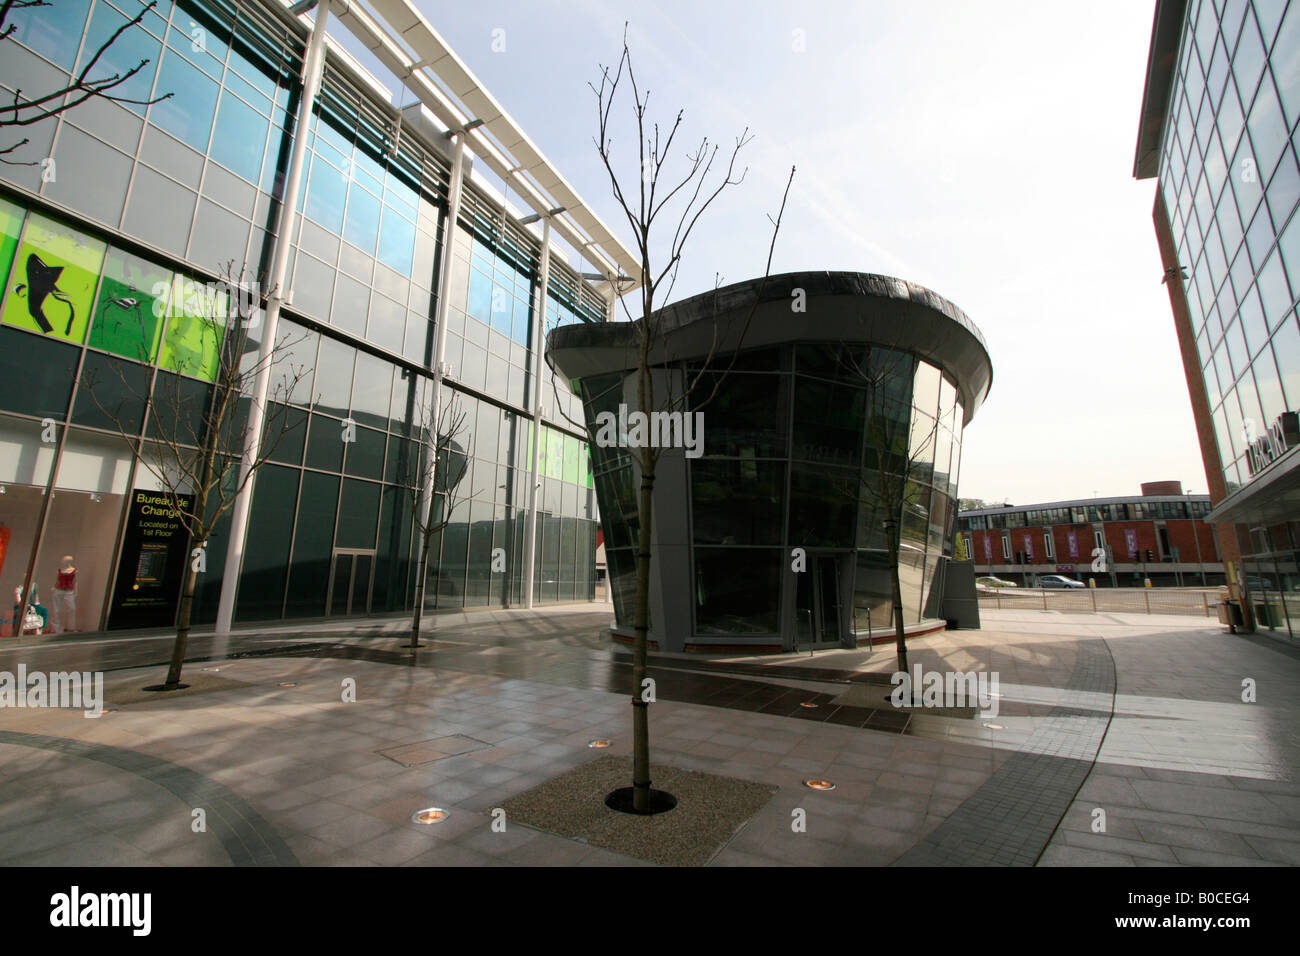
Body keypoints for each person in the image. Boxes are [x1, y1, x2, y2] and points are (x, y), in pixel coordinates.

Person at [53, 555, 76, 633]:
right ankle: (56, 627)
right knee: (56, 609)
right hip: (58, 590)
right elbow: (57, 581)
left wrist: (76, 592)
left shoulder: (74, 571)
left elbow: (75, 582)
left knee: (72, 608)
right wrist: (54, 588)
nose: (62, 562)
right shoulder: (59, 570)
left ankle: (71, 627)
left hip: (69, 591)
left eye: (64, 560)